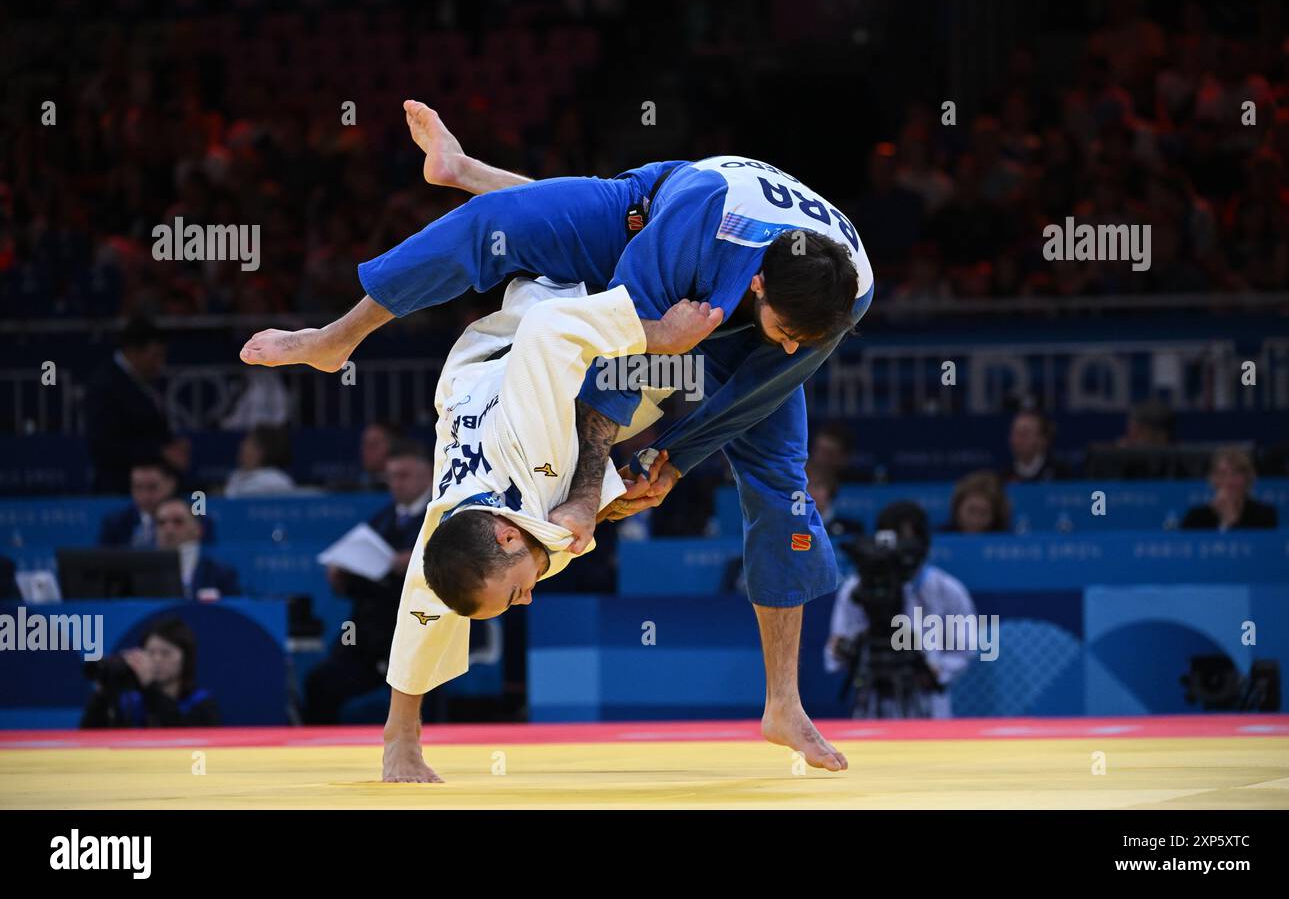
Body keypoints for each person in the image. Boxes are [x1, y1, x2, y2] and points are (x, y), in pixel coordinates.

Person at [241, 100, 875, 777]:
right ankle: (337, 336)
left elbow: (757, 388)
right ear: (756, 284)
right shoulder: (696, 234)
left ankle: (784, 703)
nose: (788, 343)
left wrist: (674, 457)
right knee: (491, 231)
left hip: (552, 343)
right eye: (782, 328)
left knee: (783, 488)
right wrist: (618, 466)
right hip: (655, 217)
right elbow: (615, 361)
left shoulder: (846, 293)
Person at [302, 439, 434, 724]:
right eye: (391, 477)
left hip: (418, 632)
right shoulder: (381, 519)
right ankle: (318, 754)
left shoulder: (442, 516)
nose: (396, 484)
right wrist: (341, 574)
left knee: (419, 692)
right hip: (369, 636)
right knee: (320, 681)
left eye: (404, 475)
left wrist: (415, 560)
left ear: (429, 475)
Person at [824, 502, 977, 718]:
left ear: (924, 543)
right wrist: (845, 649)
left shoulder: (948, 589)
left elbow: (966, 647)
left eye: (909, 541)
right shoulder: (857, 588)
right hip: (871, 701)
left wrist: (937, 670)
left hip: (928, 705)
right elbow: (836, 649)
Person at [84, 316, 190, 494]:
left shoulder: (144, 380)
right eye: (155, 356)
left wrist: (171, 447)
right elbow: (103, 446)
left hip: (155, 488)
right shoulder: (105, 385)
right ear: (133, 351)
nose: (161, 364)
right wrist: (160, 452)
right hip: (119, 490)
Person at [81, 616, 220, 728]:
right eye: (150, 652)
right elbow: (89, 736)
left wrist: (150, 686)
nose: (156, 660)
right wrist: (103, 693)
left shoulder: (201, 704)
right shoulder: (130, 701)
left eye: (166, 653)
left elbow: (178, 733)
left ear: (185, 659)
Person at [154, 498, 240, 598]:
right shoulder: (144, 571)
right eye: (161, 523)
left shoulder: (221, 573)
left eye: (178, 522)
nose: (168, 529)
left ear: (198, 529)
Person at [1181, 446, 1278, 531]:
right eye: (1222, 474)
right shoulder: (1195, 518)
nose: (1229, 481)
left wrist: (1231, 519)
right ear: (1212, 479)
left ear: (1248, 478)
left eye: (1235, 474)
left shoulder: (1265, 516)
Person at [98, 460, 180, 549]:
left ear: (170, 484)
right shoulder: (115, 523)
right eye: (138, 488)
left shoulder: (184, 518)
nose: (145, 496)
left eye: (152, 487)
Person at [224, 424, 296, 497]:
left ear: (261, 451)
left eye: (249, 443)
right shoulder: (235, 477)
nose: (242, 446)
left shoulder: (276, 482)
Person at [1003, 407, 1071, 483]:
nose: (1017, 439)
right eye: (1015, 433)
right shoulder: (1004, 476)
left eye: (1024, 433)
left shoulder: (1061, 474)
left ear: (1043, 440)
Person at [946, 471, 1012, 533]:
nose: (975, 520)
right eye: (971, 510)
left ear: (995, 516)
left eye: (984, 513)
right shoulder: (939, 537)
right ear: (957, 509)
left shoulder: (1007, 540)